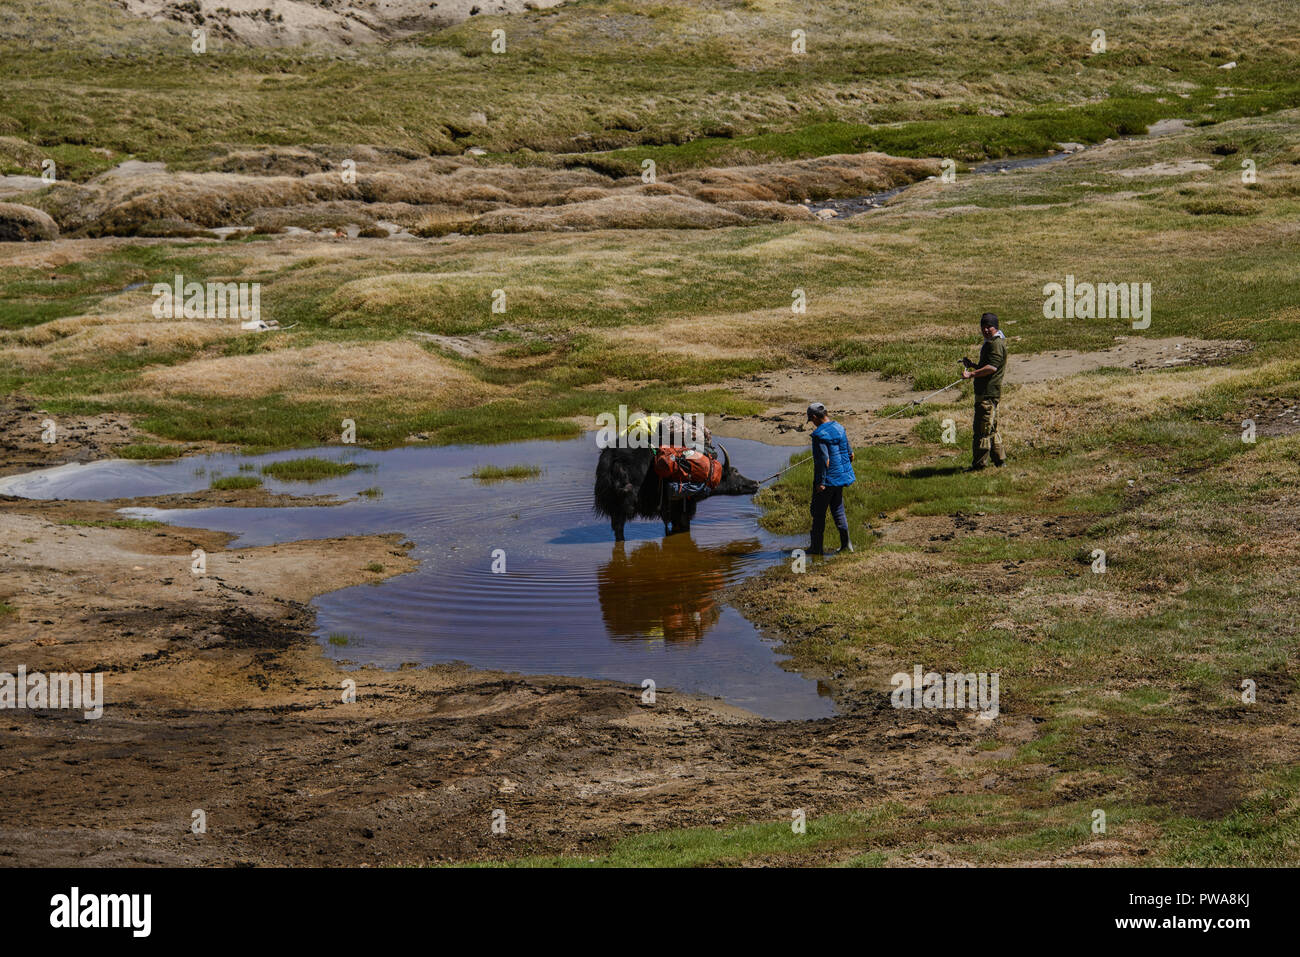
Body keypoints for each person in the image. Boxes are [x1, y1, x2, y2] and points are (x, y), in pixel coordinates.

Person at [805, 402, 856, 555]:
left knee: (818, 513)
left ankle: (816, 549)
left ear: (814, 417)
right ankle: (846, 546)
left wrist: (820, 482)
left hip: (827, 481)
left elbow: (824, 461)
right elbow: (851, 455)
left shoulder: (819, 435)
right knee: (838, 510)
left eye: (811, 420)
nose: (812, 424)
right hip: (841, 478)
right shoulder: (840, 428)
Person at [962, 312, 1007, 470]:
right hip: (990, 393)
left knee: (982, 431)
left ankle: (979, 465)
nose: (986, 330)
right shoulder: (993, 342)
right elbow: (988, 366)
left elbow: (992, 367)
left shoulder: (995, 344)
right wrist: (974, 365)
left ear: (996, 327)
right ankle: (999, 461)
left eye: (989, 326)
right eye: (984, 326)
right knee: (992, 429)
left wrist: (972, 374)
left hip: (987, 394)